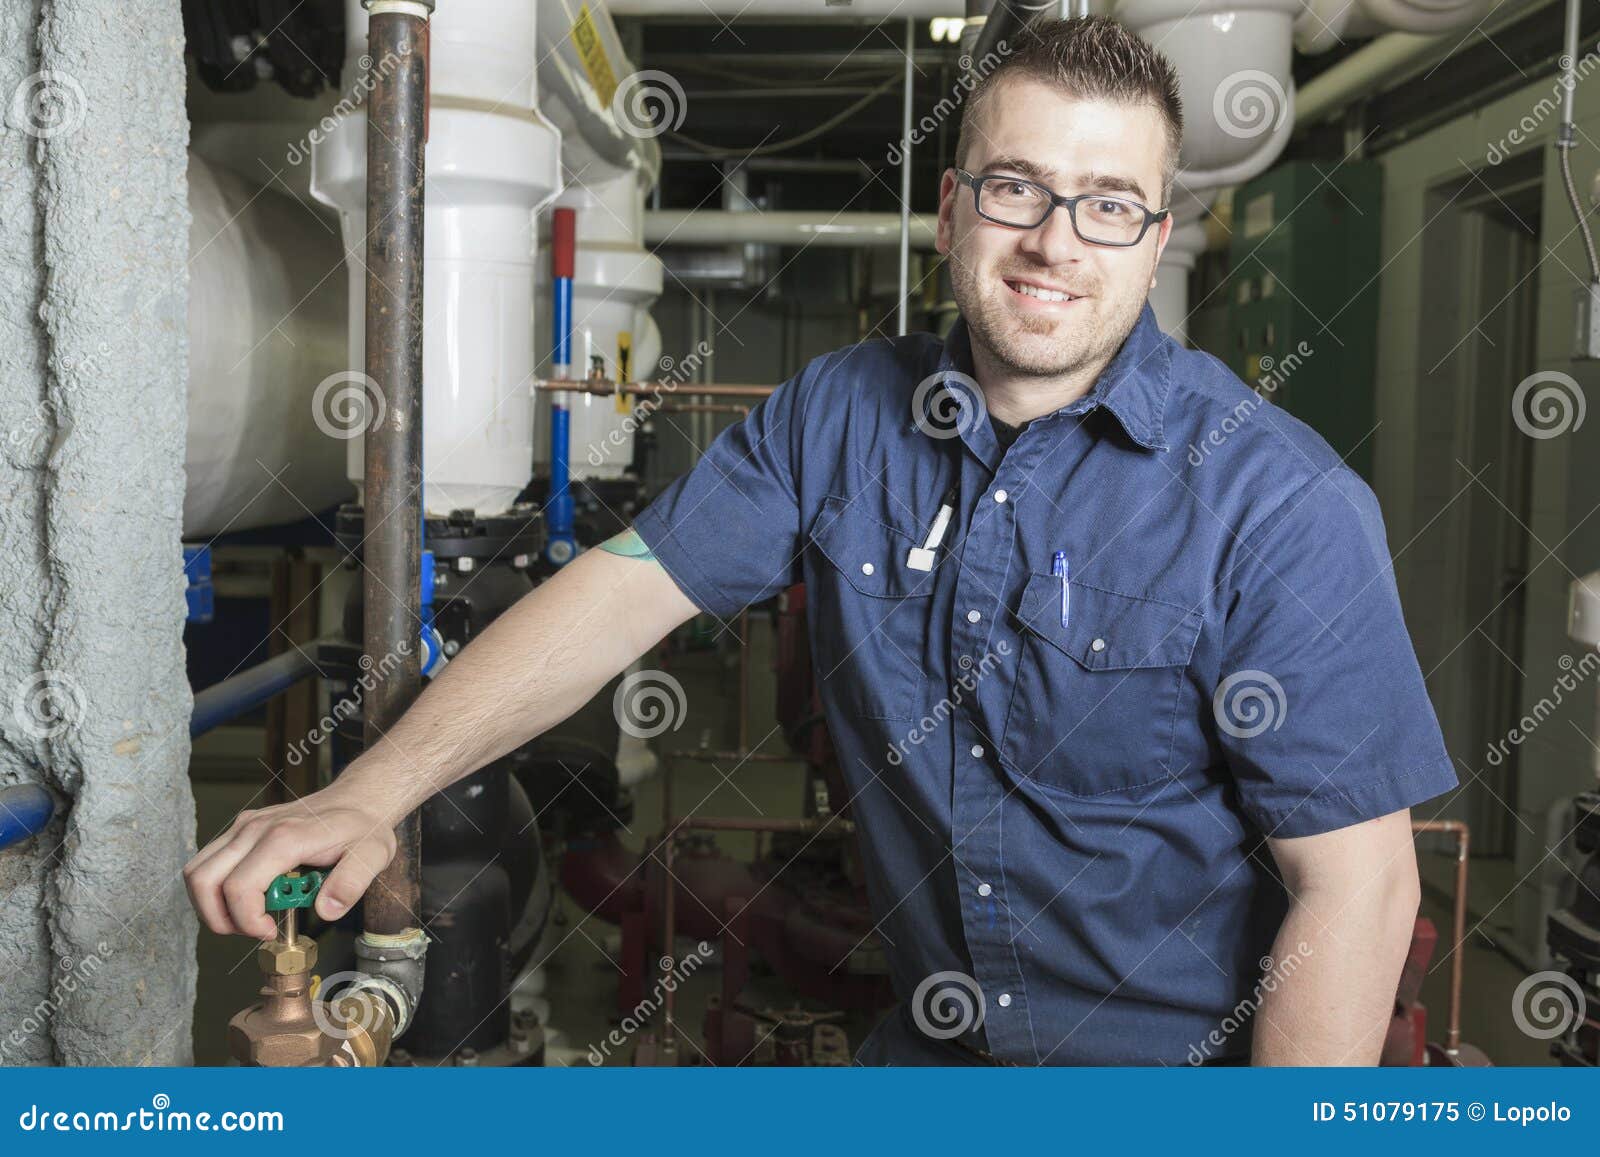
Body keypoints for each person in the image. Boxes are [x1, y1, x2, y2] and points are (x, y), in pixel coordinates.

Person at [185, 15, 1456, 1065]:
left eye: (1109, 205)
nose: (1055, 241)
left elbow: (1359, 888)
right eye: (1018, 187)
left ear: (1156, 237)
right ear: (953, 207)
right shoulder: (839, 415)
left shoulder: (1275, 504)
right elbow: (618, 596)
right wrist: (367, 790)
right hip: (928, 1052)